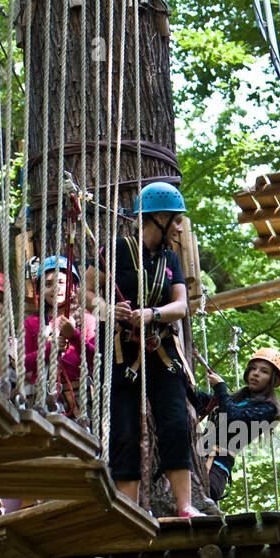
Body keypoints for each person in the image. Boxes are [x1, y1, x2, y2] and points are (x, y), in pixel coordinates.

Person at [104, 182, 200, 517]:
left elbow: (181, 306)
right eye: (175, 220)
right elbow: (86, 293)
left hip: (160, 348)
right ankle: (128, 509)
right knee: (125, 429)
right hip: (123, 351)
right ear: (158, 217)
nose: (178, 227)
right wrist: (106, 309)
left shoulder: (171, 258)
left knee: (175, 422)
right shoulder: (116, 251)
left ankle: (185, 505)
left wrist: (152, 314)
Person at [190, 347, 280, 504]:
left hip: (214, 469)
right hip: (194, 461)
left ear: (272, 379)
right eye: (253, 369)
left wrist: (220, 388)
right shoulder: (234, 399)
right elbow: (202, 401)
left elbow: (234, 418)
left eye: (264, 371)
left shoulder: (268, 409)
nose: (255, 373)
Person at [24, 254, 96, 416]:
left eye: (61, 282)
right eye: (48, 284)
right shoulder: (32, 323)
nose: (56, 287)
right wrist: (50, 348)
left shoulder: (87, 320)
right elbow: (24, 364)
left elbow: (95, 359)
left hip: (79, 394)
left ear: (73, 286)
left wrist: (75, 336)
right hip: (42, 395)